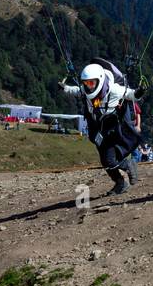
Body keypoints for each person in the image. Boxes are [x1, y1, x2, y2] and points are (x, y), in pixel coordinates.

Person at [61, 58, 142, 196]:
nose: (89, 86)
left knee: (109, 159)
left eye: (92, 83)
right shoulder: (85, 90)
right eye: (86, 83)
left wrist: (138, 93)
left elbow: (130, 94)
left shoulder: (114, 89)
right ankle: (120, 183)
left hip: (113, 127)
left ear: (99, 80)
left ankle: (128, 166)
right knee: (105, 160)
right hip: (98, 127)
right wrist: (65, 88)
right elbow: (76, 91)